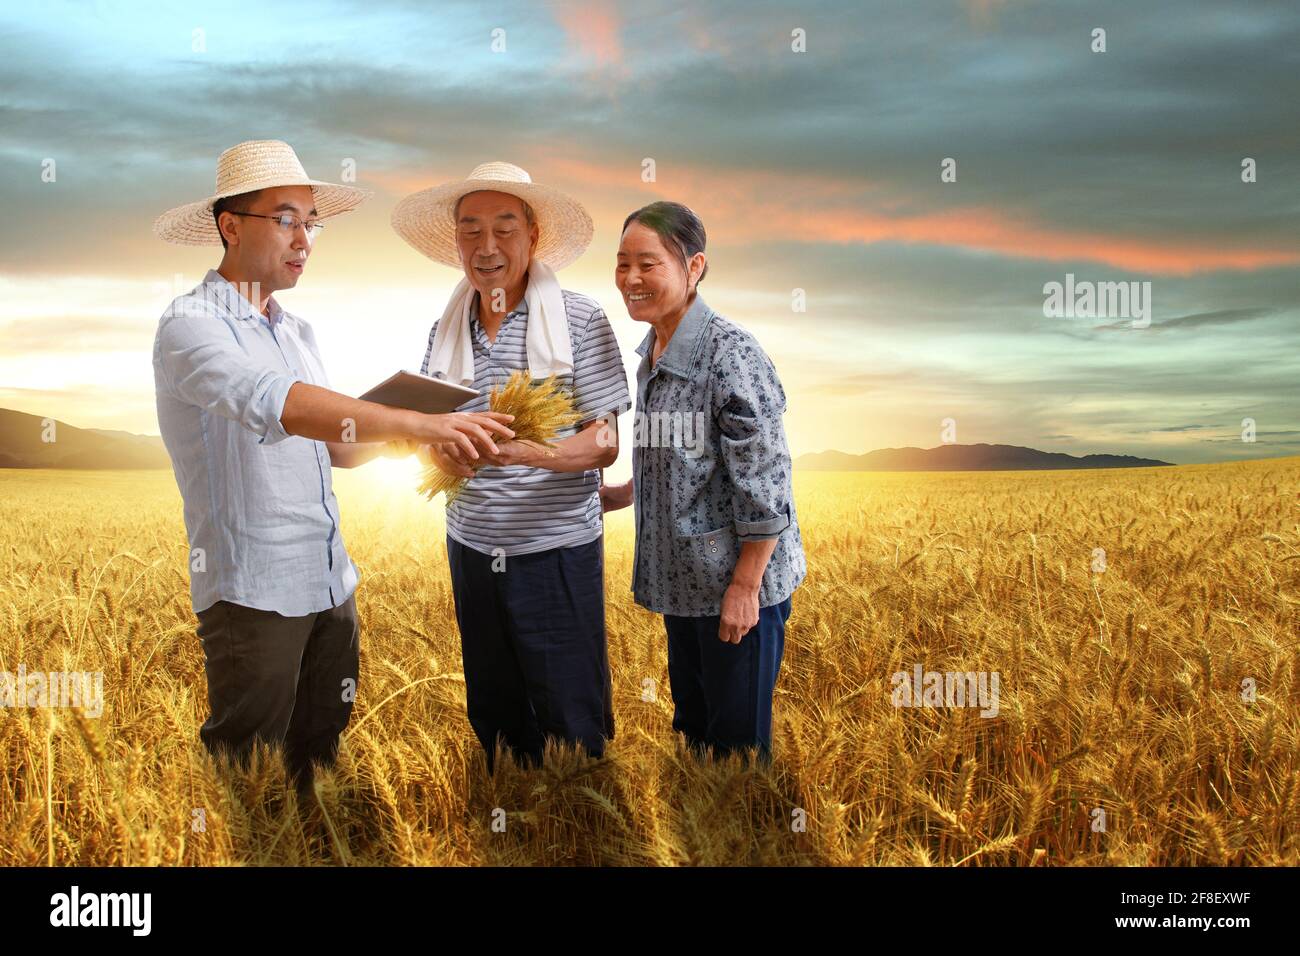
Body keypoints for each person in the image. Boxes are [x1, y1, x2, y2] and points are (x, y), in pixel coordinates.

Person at [152, 140, 514, 795]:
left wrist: (421, 435)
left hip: (328, 582)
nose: (305, 238)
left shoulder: (298, 332)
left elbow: (340, 446)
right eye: (286, 219)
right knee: (247, 776)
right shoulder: (190, 324)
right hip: (254, 591)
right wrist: (419, 421)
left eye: (311, 222)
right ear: (230, 227)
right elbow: (278, 402)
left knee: (317, 757)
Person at [391, 162, 632, 773]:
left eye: (504, 228)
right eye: (471, 231)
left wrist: (515, 450)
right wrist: (434, 447)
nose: (487, 247)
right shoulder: (444, 330)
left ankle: (583, 821)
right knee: (496, 709)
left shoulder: (579, 319)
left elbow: (603, 443)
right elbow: (426, 433)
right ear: (456, 244)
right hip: (471, 544)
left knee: (569, 713)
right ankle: (511, 815)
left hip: (555, 548)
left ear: (533, 236)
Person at [601, 201, 806, 763]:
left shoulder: (730, 354)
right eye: (622, 264)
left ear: (694, 268)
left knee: (735, 747)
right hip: (682, 584)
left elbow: (765, 483)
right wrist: (621, 494)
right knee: (695, 734)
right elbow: (676, 454)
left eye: (648, 263)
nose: (631, 279)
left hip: (732, 591)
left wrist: (744, 589)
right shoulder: (653, 352)